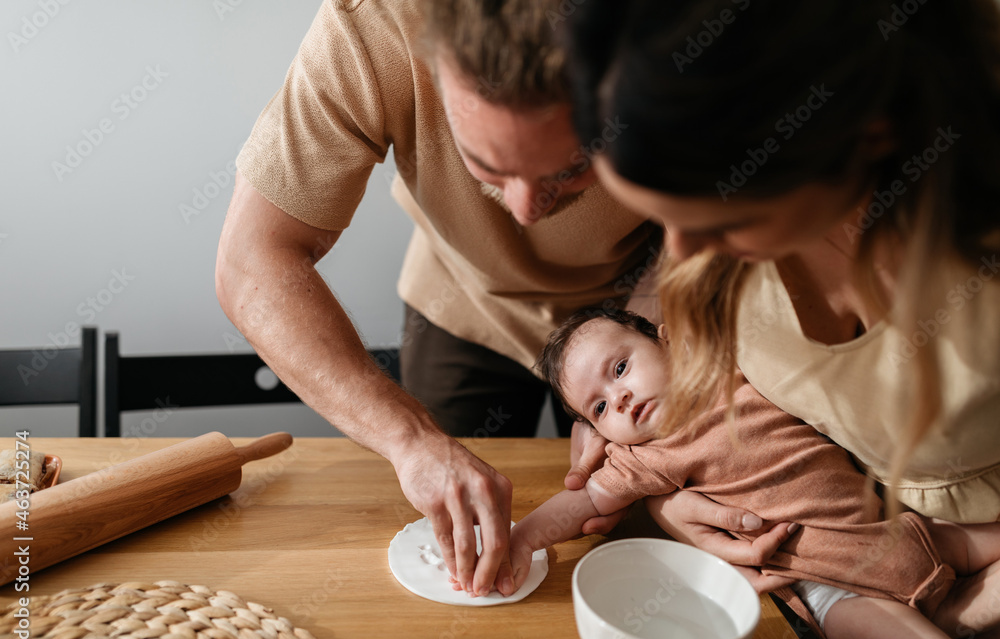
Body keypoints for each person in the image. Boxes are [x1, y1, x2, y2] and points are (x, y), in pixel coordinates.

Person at [214, 0, 733, 600]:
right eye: (488, 165)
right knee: (449, 536)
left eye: (570, 169)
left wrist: (637, 370)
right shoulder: (373, 25)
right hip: (461, 303)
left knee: (646, 554)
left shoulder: (699, 32)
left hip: (648, 304)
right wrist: (411, 441)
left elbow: (713, 218)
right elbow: (251, 263)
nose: (523, 212)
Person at [562, 0, 1000, 639]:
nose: (679, 250)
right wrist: (670, 506)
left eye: (718, 210)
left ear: (862, 134)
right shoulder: (704, 265)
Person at [508, 307, 1000, 639]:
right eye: (599, 408)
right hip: (836, 588)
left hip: (907, 528)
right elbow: (583, 501)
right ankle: (950, 618)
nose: (620, 398)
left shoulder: (734, 367)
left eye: (620, 369)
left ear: (668, 342)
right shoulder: (644, 458)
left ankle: (951, 610)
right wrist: (524, 537)